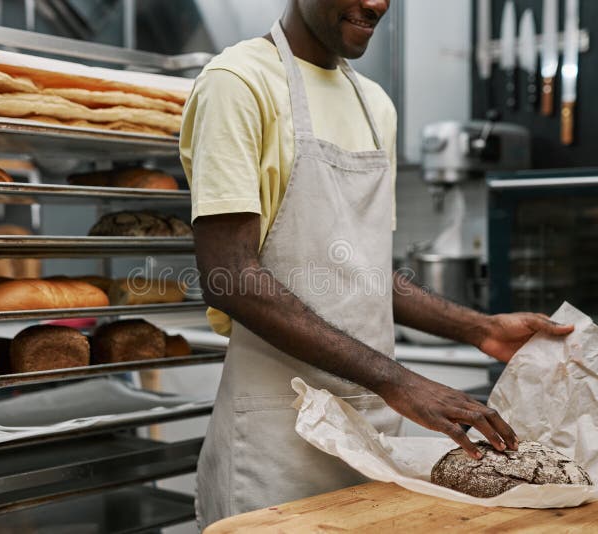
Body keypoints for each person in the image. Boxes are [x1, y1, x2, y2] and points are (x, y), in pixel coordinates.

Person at [179, 0, 574, 527]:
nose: (378, 3)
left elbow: (361, 275)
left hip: (373, 440)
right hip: (276, 443)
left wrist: (481, 329)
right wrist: (399, 380)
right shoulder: (237, 84)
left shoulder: (375, 105)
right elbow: (231, 278)